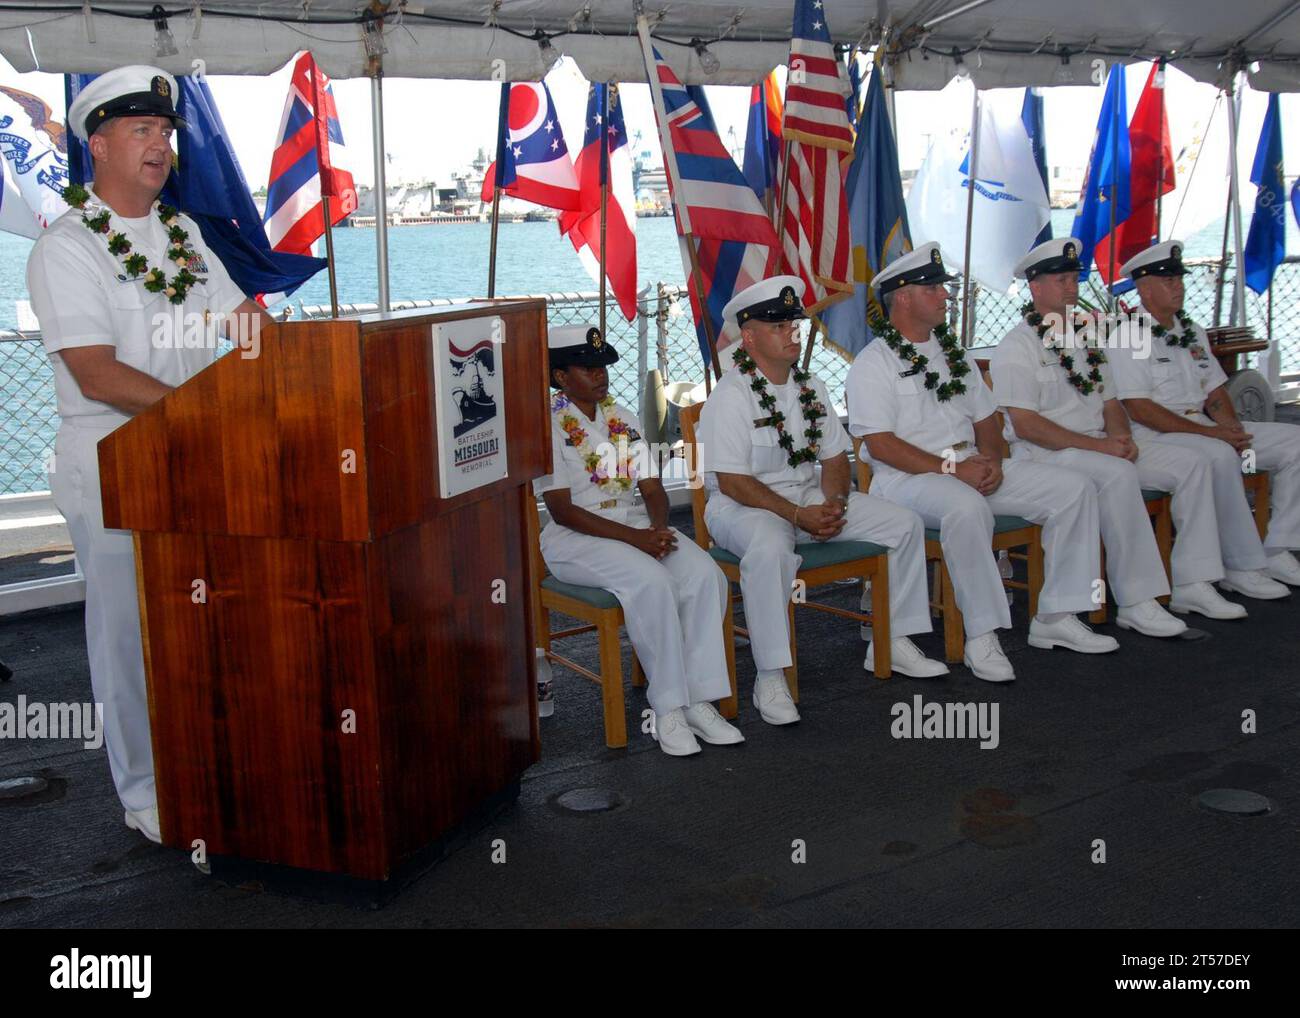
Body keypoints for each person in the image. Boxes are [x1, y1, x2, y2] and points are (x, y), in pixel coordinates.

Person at [26, 66, 269, 843]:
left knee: (204, 619)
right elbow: (96, 371)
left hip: (197, 452)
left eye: (165, 132)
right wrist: (203, 418)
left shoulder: (183, 234)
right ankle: (143, 790)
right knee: (129, 632)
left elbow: (246, 325)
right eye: (141, 131)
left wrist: (311, 369)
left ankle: (208, 757)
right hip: (113, 457)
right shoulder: (68, 247)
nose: (160, 145)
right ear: (96, 145)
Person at [846, 243, 1117, 684]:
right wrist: (956, 471)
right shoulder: (872, 364)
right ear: (903, 297)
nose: (944, 295)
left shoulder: (956, 356)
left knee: (1073, 489)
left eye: (942, 287)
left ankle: (1057, 615)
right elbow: (881, 446)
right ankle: (982, 635)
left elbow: (988, 418)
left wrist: (990, 461)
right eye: (932, 288)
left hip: (971, 468)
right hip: (906, 480)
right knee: (965, 507)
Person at [699, 276, 945, 726]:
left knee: (903, 524)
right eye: (779, 325)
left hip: (808, 496)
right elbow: (732, 481)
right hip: (743, 508)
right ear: (749, 336)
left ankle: (894, 641)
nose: (793, 332)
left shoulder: (812, 387)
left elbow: (836, 457)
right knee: (771, 548)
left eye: (794, 322)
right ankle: (771, 674)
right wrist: (798, 515)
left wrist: (834, 503)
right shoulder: (729, 397)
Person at [536, 325, 742, 757]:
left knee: (706, 575)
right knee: (653, 583)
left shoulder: (622, 418)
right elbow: (561, 509)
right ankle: (668, 708)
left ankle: (700, 700)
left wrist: (658, 531)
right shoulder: (547, 426)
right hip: (575, 539)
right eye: (587, 367)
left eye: (603, 366)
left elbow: (651, 490)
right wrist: (637, 540)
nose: (600, 375)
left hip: (634, 527)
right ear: (559, 377)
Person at [989, 237, 1200, 636]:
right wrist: (1102, 447)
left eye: (1074, 279)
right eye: (1061, 280)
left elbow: (1110, 403)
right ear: (1035, 288)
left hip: (1096, 447)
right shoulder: (1017, 346)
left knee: (1189, 461)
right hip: (1044, 454)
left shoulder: (1087, 339)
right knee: (1116, 475)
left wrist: (1122, 438)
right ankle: (1136, 601)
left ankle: (1195, 580)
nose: (1072, 287)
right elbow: (1026, 425)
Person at [1108, 240, 1297, 608]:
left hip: (1206, 430)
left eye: (1178, 278)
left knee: (1295, 443)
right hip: (1156, 437)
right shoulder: (1129, 336)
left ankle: (1278, 548)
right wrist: (1214, 435)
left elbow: (1214, 390)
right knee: (1216, 455)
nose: (1178, 286)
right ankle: (1231, 568)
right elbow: (1140, 408)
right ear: (1144, 288)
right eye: (1168, 280)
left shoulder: (1190, 332)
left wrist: (1232, 429)